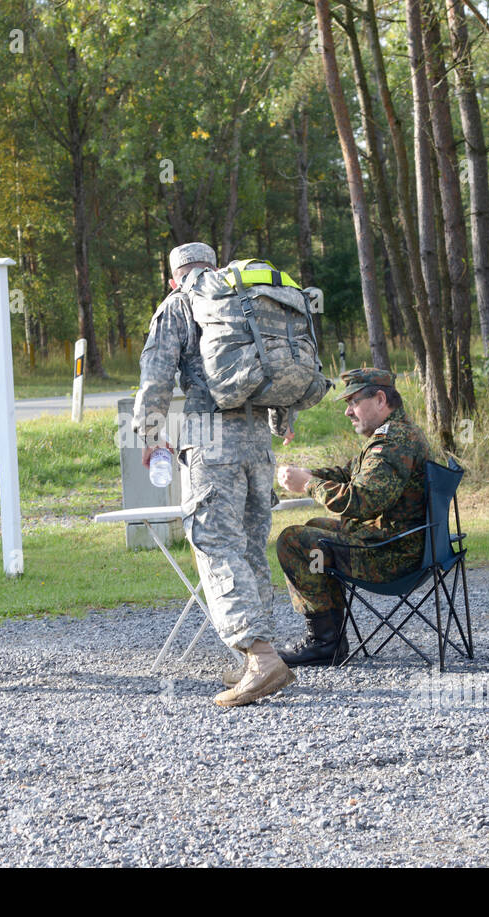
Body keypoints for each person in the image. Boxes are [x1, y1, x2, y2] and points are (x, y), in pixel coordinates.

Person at [132, 241, 295, 707]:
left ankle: (261, 658)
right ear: (215, 266)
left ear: (173, 277)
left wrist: (148, 435)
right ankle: (256, 659)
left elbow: (156, 373)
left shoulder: (178, 304)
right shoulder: (242, 299)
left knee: (215, 544)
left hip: (209, 434)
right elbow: (276, 363)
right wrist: (283, 423)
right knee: (248, 548)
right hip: (258, 438)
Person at [275, 368, 432, 666]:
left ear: (380, 399)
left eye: (354, 402)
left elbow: (361, 501)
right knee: (315, 529)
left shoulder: (392, 444)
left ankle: (324, 643)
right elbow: (350, 475)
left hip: (393, 556)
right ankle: (330, 638)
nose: (348, 411)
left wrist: (308, 485)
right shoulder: (393, 435)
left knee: (293, 540)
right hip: (400, 545)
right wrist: (310, 474)